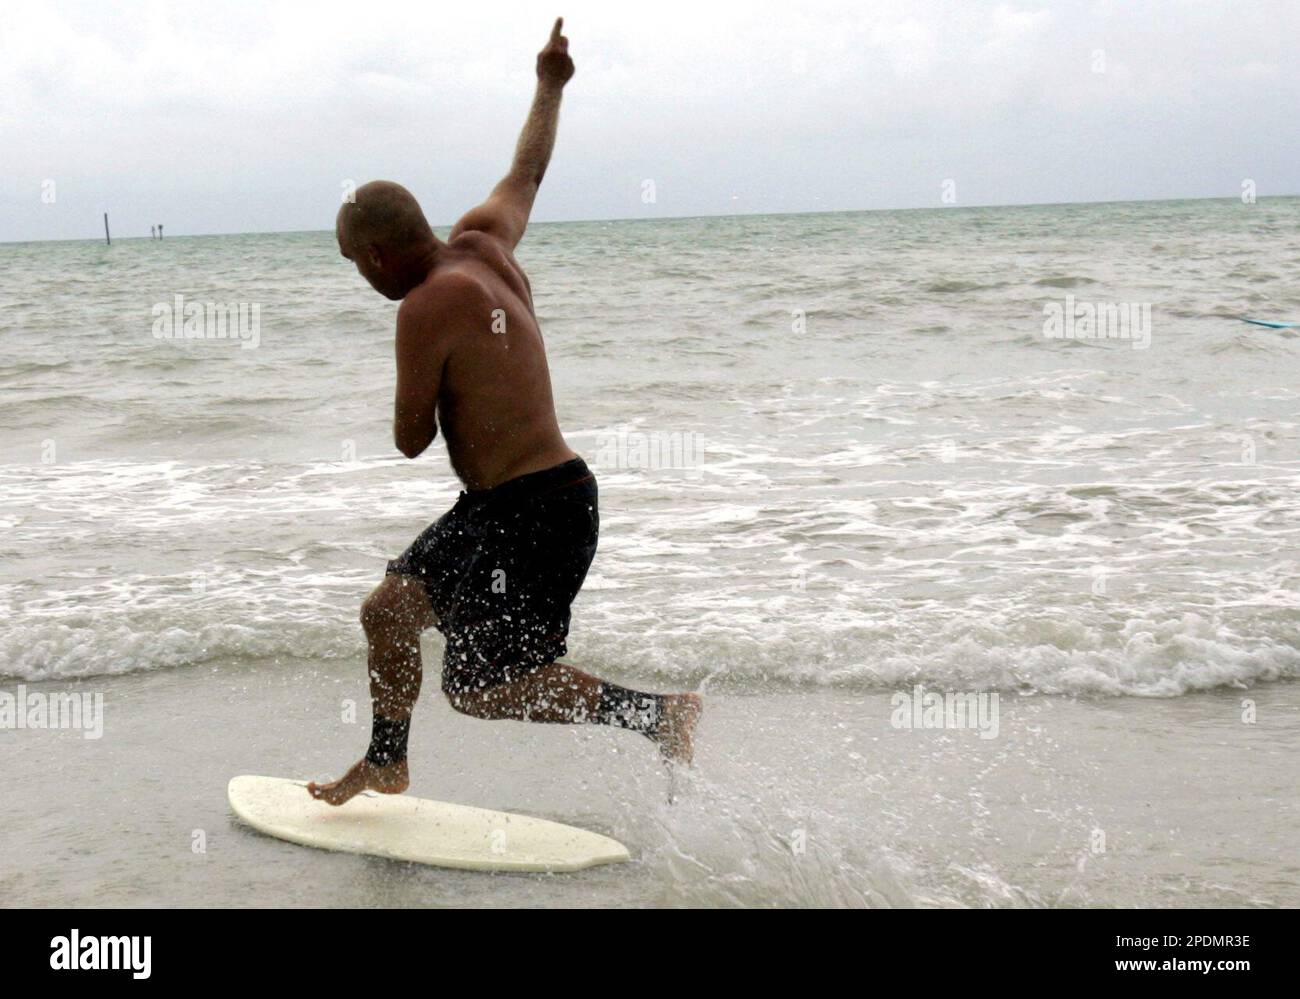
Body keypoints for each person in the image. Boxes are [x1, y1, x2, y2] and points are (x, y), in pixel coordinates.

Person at [309, 18, 701, 806]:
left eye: (357, 265)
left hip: (539, 512)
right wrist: (550, 83)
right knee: (389, 610)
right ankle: (388, 760)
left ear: (380, 255)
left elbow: (411, 439)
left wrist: (414, 378)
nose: (362, 279)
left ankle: (662, 716)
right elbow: (526, 171)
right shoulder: (485, 243)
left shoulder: (422, 306)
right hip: (511, 504)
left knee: (484, 687)